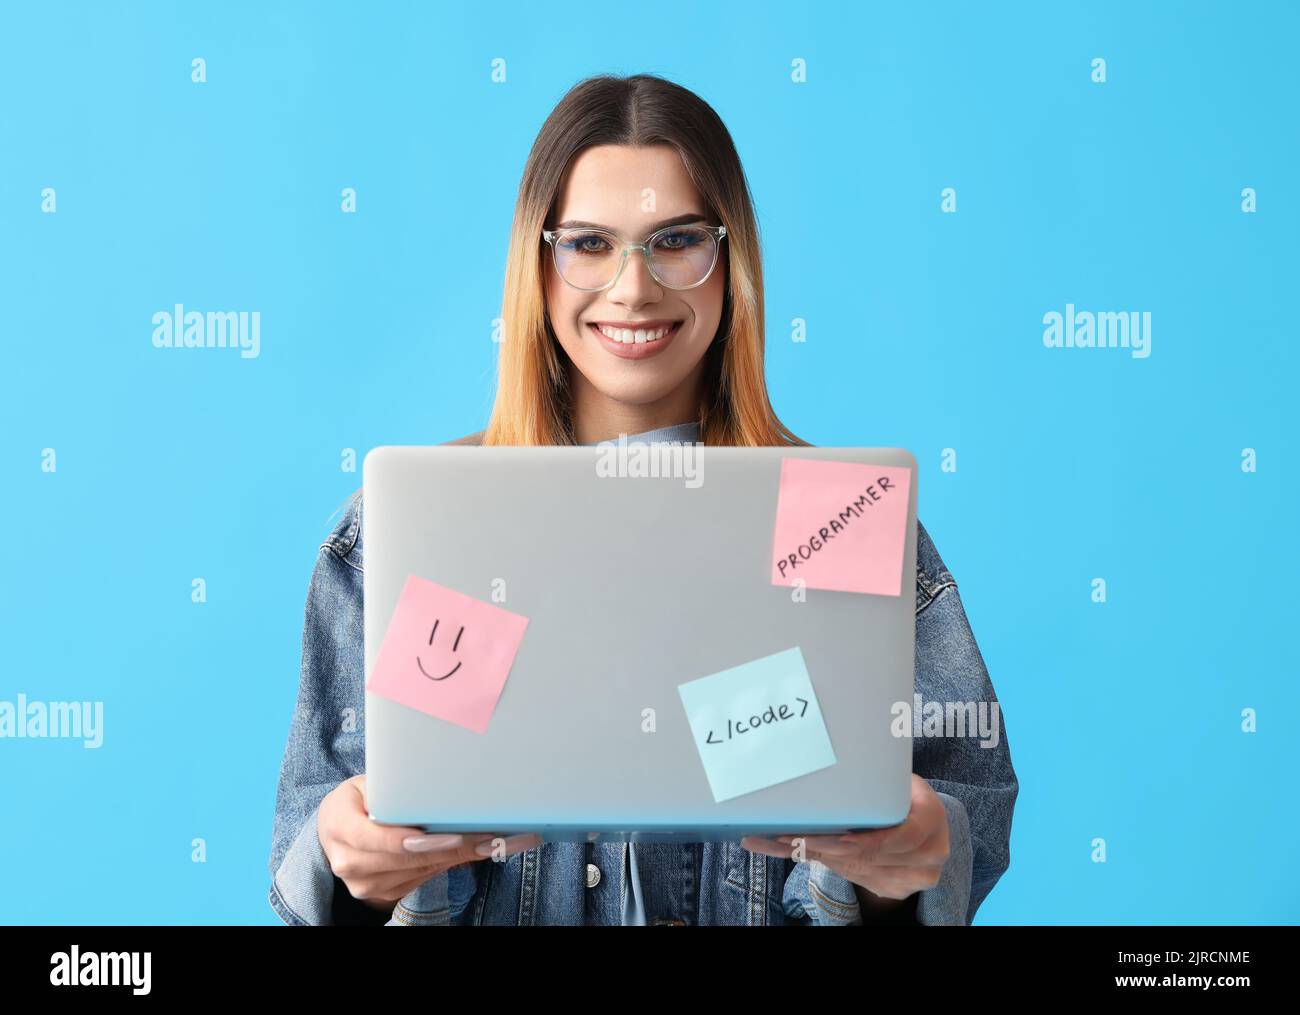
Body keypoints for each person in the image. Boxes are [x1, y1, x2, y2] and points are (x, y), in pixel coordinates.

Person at [267, 73, 1018, 926]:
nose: (632, 288)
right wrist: (346, 856)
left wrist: (908, 854)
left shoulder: (832, 519)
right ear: (537, 264)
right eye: (588, 242)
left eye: (676, 240)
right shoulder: (416, 531)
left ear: (729, 261)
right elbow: (319, 855)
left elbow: (963, 812)